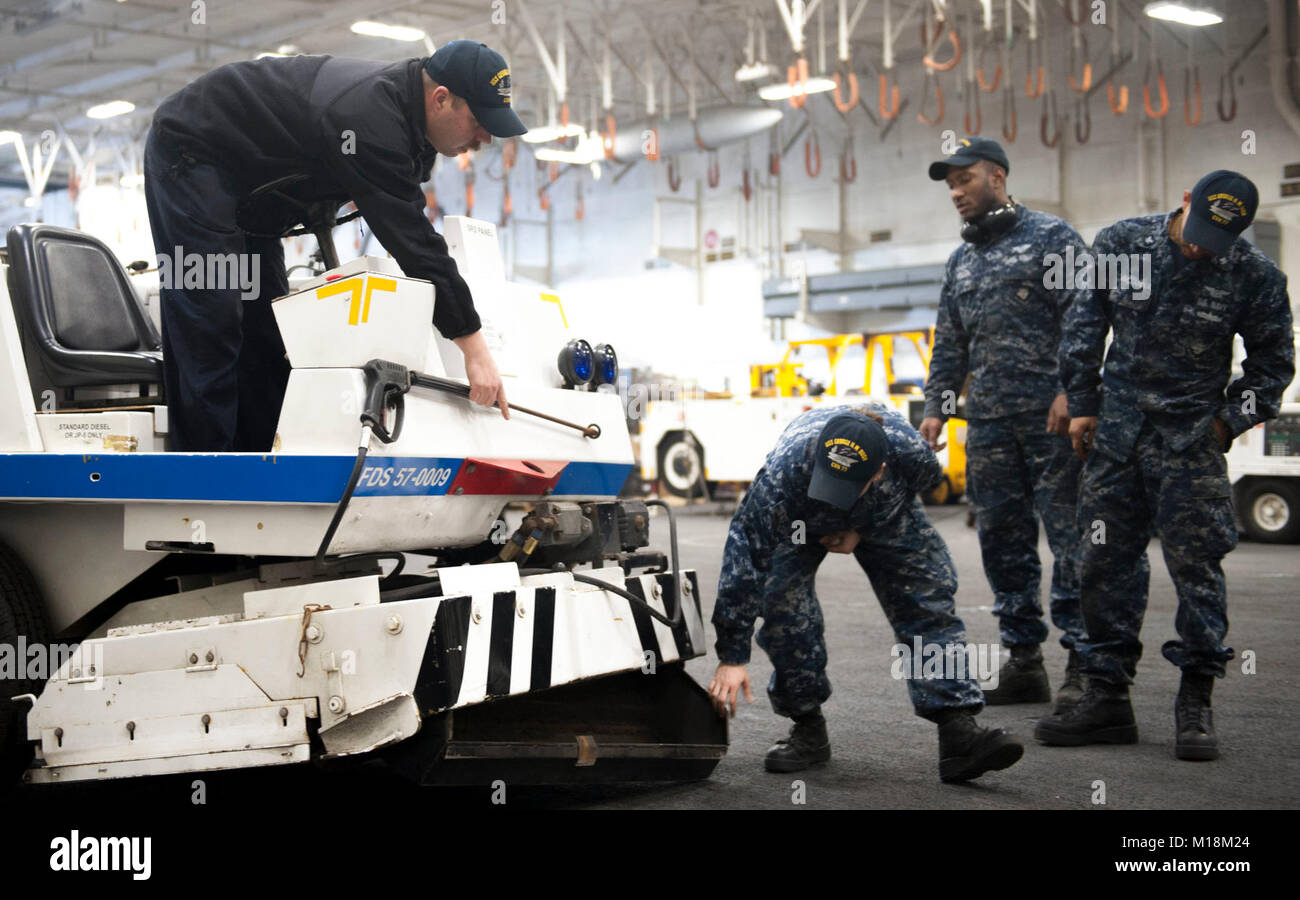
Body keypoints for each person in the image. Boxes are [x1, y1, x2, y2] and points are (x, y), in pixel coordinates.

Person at [144, 40, 520, 452]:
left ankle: (260, 473)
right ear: (441, 99)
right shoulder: (369, 118)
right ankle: (202, 481)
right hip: (191, 154)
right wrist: (474, 349)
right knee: (211, 317)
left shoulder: (409, 128)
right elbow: (414, 241)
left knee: (267, 335)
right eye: (480, 120)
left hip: (253, 194)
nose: (486, 137)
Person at [1036, 170, 1295, 760]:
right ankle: (1107, 696)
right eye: (1199, 230)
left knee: (1198, 568)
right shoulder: (1121, 243)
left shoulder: (1256, 277)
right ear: (1185, 200)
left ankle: (1195, 700)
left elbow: (1272, 368)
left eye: (1219, 239)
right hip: (1116, 435)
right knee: (1102, 561)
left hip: (1190, 442)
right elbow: (1084, 324)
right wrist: (1080, 405)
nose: (1202, 247)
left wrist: (1229, 423)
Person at [708, 403, 1025, 783]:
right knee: (782, 606)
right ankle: (807, 727)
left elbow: (911, 493)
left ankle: (957, 730)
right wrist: (732, 654)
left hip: (881, 514)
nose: (833, 497)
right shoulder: (786, 471)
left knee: (925, 597)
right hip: (798, 519)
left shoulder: (911, 455)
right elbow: (745, 554)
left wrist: (861, 525)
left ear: (879, 470)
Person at [919, 138, 1089, 712]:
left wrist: (1074, 390)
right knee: (1002, 542)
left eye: (965, 180)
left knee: (1071, 540)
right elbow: (950, 345)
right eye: (950, 186)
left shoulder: (1053, 239)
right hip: (988, 426)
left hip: (1052, 423)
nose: (956, 193)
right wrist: (936, 410)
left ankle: (1088, 668)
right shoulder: (961, 260)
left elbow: (1085, 321)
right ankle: (1024, 662)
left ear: (997, 175)